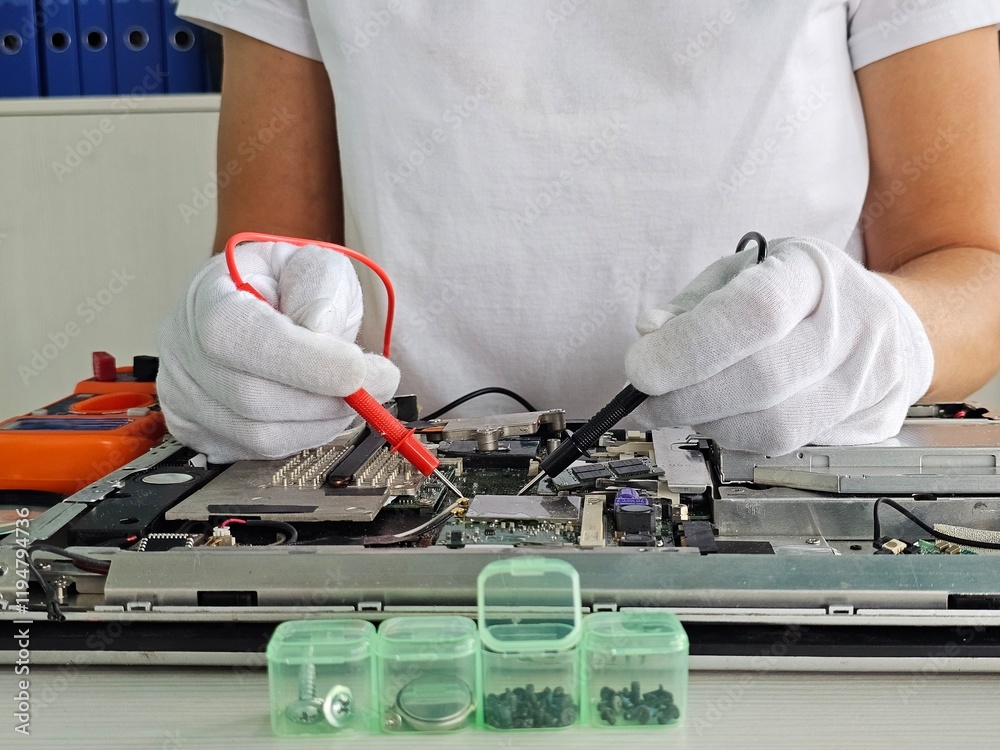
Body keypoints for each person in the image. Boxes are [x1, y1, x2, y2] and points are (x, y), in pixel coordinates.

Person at [158, 1, 1000, 464]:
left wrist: (877, 337)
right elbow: (270, 255)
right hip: (402, 501)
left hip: (776, 476)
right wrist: (241, 347)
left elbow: (975, 265)